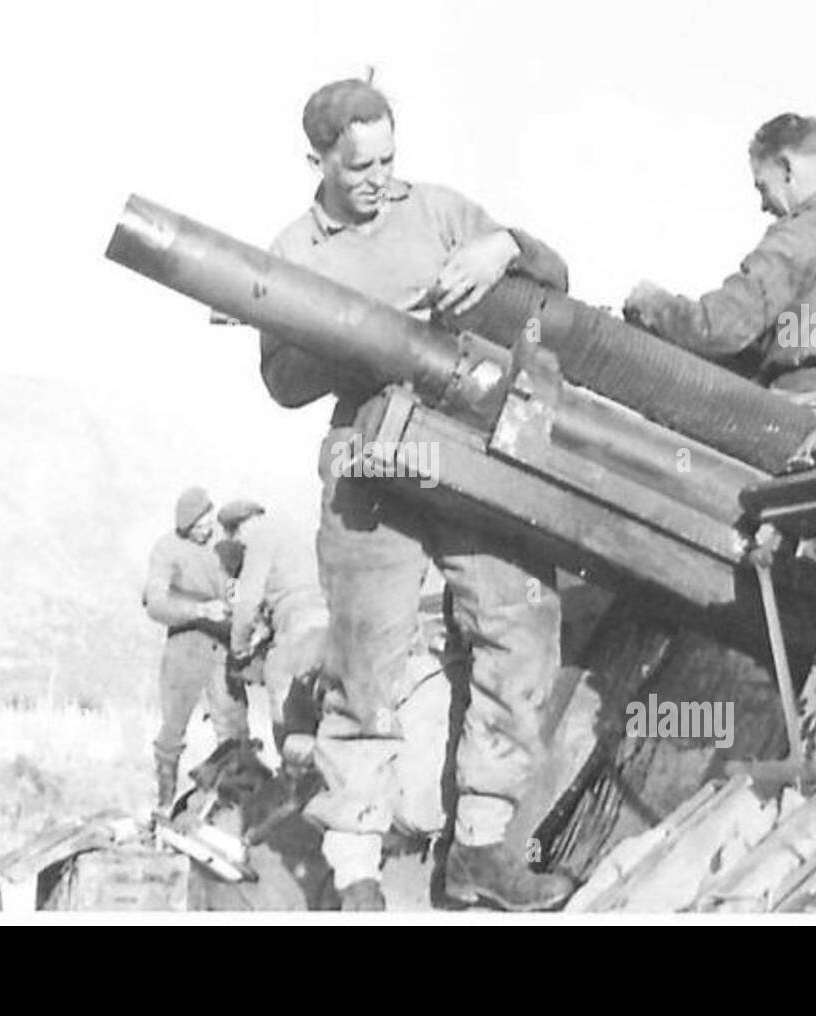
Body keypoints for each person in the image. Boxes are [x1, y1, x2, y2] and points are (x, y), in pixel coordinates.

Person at [259, 77, 574, 911]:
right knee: (364, 659)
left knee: (519, 624)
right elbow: (282, 380)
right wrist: (362, 329)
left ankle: (479, 849)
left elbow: (555, 276)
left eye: (389, 159)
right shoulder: (295, 249)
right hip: (369, 461)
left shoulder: (437, 211)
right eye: (358, 166)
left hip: (469, 452)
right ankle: (356, 871)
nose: (378, 179)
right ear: (317, 158)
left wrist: (503, 245)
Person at [623, 113, 816, 418]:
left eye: (763, 187)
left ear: (786, 167)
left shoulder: (797, 238)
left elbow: (719, 329)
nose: (764, 205)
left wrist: (653, 304)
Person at [142, 486, 249, 811]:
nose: (204, 530)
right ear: (184, 527)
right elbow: (155, 603)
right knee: (172, 732)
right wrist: (200, 611)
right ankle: (165, 804)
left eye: (206, 521)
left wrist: (238, 610)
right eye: (196, 526)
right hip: (184, 647)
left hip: (222, 647)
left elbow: (238, 589)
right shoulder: (166, 549)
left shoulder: (226, 547)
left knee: (235, 732)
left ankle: (235, 810)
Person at [217, 499, 327, 752]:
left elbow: (246, 602)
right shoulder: (294, 533)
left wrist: (239, 649)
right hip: (332, 624)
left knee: (286, 713)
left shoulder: (257, 541)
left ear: (238, 529)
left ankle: (297, 783)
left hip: (298, 627)